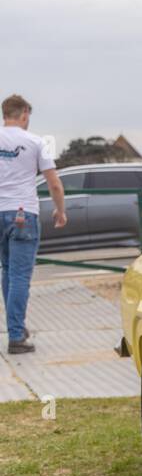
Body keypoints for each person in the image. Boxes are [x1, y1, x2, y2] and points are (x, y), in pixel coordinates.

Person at [1, 94, 65, 355]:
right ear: (24, 113)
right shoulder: (36, 142)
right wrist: (61, 211)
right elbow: (54, 183)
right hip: (23, 213)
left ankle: (16, 326)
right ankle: (16, 335)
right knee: (19, 276)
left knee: (7, 273)